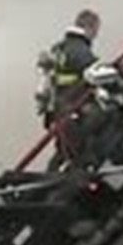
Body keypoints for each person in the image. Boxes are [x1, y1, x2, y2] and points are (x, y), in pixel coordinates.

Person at [35, 9, 102, 169]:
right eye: (96, 31)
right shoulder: (79, 49)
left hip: (59, 109)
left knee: (63, 152)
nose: (96, 36)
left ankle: (51, 179)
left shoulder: (59, 47)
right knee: (91, 140)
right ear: (89, 27)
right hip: (75, 107)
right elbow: (94, 70)